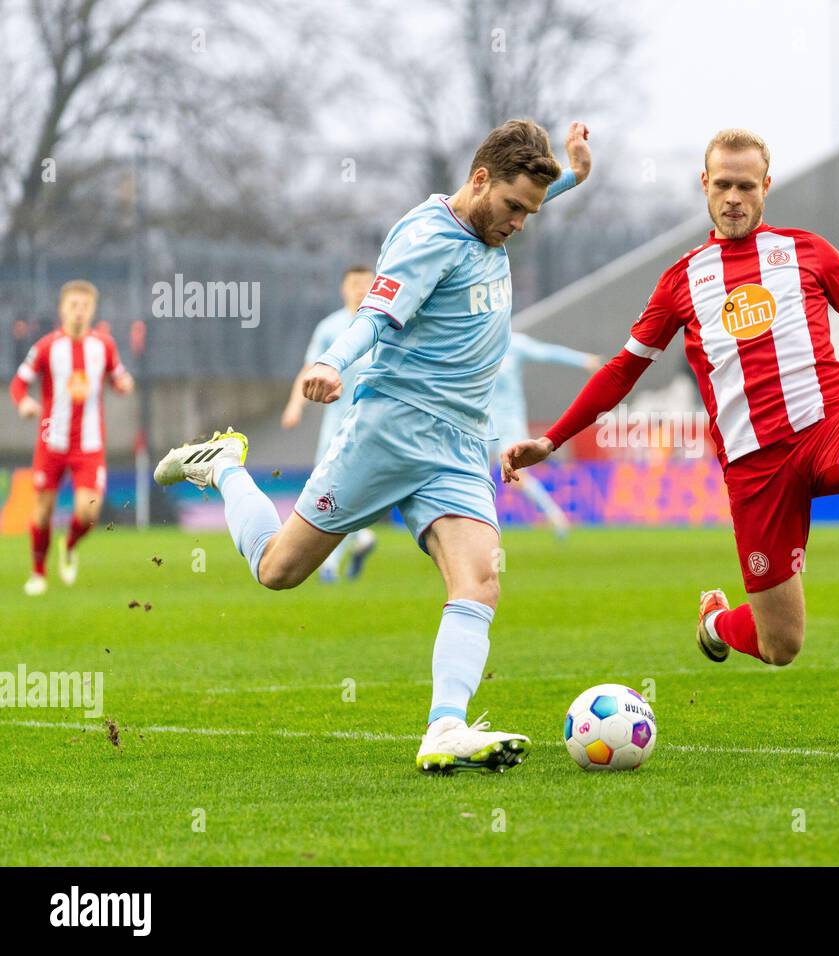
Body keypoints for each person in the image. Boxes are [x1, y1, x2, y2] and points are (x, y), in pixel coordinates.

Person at [503, 128, 839, 669]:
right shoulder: (680, 282)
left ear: (766, 186)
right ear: (704, 185)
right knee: (780, 645)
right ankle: (716, 622)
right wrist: (552, 440)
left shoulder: (806, 252)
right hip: (755, 466)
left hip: (827, 426)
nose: (733, 197)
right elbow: (623, 371)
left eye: (745, 185)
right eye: (722, 185)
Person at [154, 120, 591, 773]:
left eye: (530, 211)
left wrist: (576, 176)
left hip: (462, 442)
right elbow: (378, 314)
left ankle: (445, 726)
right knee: (279, 570)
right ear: (480, 181)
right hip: (393, 430)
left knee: (479, 581)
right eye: (514, 208)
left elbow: (523, 201)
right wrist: (331, 363)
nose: (520, 224)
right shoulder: (427, 240)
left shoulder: (492, 214)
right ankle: (224, 468)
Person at [8, 280, 134, 596]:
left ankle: (70, 543)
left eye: (85, 306)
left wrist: (124, 385)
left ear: (92, 309)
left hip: (89, 445)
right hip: (52, 442)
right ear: (62, 309)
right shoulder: (47, 347)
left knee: (88, 512)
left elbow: (118, 378)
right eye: (73, 305)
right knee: (42, 509)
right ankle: (38, 572)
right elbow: (19, 383)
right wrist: (23, 402)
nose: (79, 311)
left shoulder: (104, 346)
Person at [280, 264, 379, 581]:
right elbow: (309, 370)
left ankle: (337, 558)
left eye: (367, 283)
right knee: (329, 488)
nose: (361, 289)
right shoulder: (330, 327)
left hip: (374, 424)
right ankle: (357, 541)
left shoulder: (385, 324)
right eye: (355, 284)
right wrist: (295, 406)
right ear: (344, 289)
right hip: (336, 426)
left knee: (339, 490)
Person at [489, 331, 600, 537]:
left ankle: (556, 517)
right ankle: (473, 523)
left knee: (515, 475)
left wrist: (582, 360)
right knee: (474, 473)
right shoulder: (478, 341)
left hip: (510, 424)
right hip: (482, 423)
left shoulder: (514, 342)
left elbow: (547, 353)